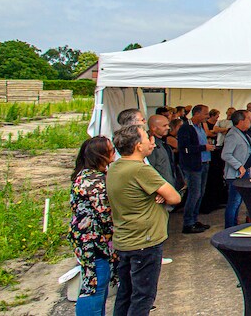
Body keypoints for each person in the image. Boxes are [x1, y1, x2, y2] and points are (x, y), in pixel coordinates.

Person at [106, 124, 181, 316]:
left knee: (126, 293)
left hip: (125, 239)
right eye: (147, 139)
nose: (151, 142)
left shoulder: (115, 167)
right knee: (143, 297)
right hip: (144, 241)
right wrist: (162, 194)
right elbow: (175, 197)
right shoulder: (140, 170)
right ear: (139, 146)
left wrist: (160, 194)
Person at [69, 136, 117, 316]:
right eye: (111, 150)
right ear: (101, 155)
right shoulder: (94, 181)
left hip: (89, 238)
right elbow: (105, 215)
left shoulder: (87, 175)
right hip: (93, 241)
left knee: (95, 283)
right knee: (95, 284)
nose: (114, 152)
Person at [176, 104, 214, 234]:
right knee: (194, 194)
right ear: (197, 114)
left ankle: (194, 219)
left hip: (204, 163)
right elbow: (185, 148)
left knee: (200, 193)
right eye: (205, 113)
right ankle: (188, 222)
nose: (207, 116)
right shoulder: (186, 128)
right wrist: (204, 148)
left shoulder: (200, 127)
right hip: (193, 166)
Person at [222, 110, 251, 227]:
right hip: (236, 174)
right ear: (241, 121)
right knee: (234, 202)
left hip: (245, 173)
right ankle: (229, 227)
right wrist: (239, 166)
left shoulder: (244, 133)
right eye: (249, 119)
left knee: (238, 203)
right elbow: (226, 154)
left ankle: (234, 225)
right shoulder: (233, 134)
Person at [145, 115, 178, 191]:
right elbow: (149, 169)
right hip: (160, 190)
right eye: (164, 126)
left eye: (168, 125)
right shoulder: (151, 146)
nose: (168, 128)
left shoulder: (163, 142)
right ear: (153, 127)